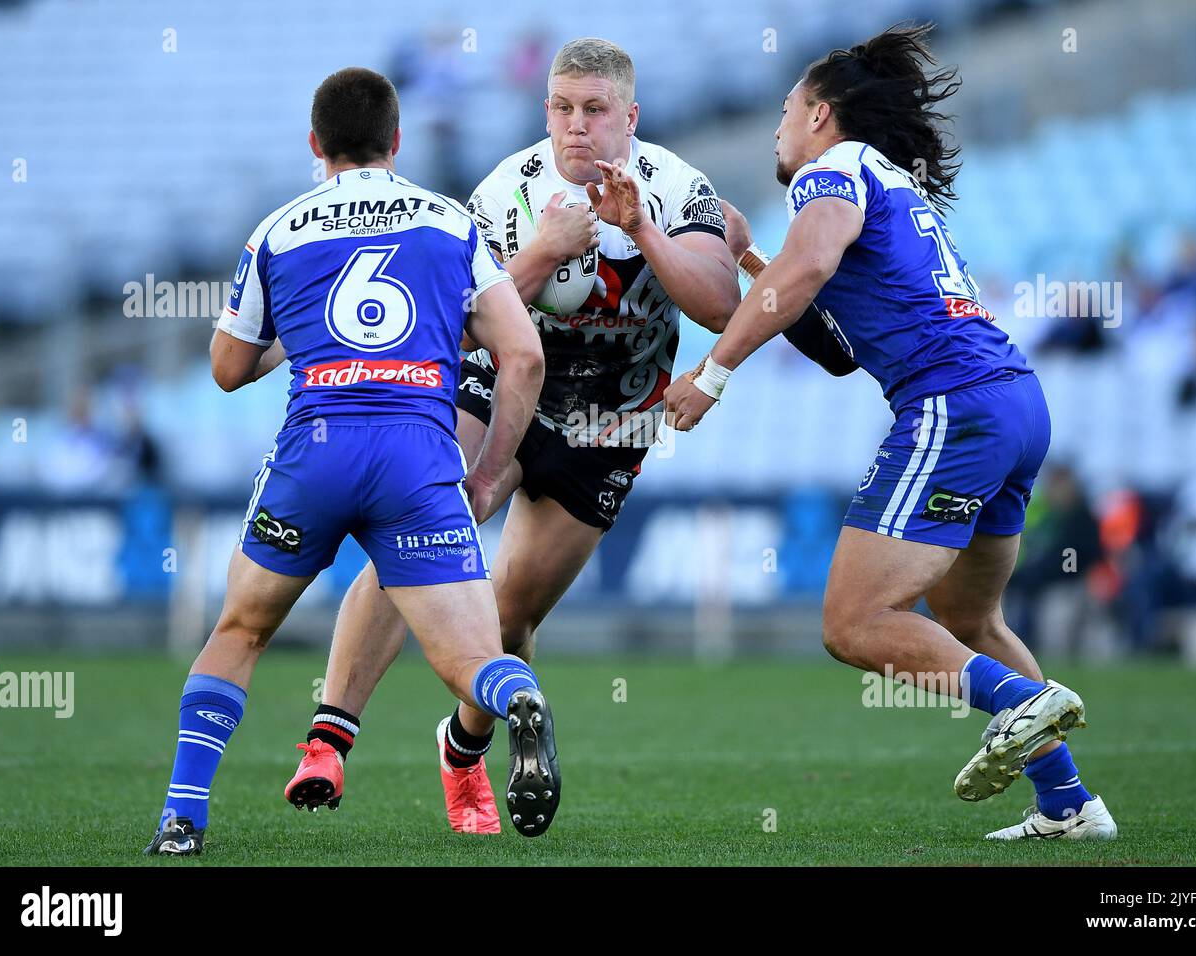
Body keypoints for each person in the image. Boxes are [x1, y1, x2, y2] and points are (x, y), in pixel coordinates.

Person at [664, 24, 1117, 841]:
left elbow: (805, 276)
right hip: (1014, 401)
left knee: (853, 624)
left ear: (822, 116)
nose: (776, 128)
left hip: (953, 402)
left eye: (785, 110)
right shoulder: (882, 180)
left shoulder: (831, 171)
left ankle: (1021, 703)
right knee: (969, 621)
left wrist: (712, 374)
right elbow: (835, 348)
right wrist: (746, 260)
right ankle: (1068, 805)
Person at [284, 37, 743, 835]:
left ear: (629, 117)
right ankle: (329, 737)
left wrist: (644, 233)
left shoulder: (675, 186)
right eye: (562, 108)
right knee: (412, 533)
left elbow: (721, 306)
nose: (576, 127)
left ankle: (463, 749)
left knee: (510, 617)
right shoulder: (503, 193)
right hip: (496, 385)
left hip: (609, 421)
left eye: (595, 111)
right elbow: (453, 327)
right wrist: (537, 256)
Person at [146, 67, 556, 855]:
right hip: (416, 457)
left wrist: (297, 344)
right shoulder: (449, 222)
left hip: (317, 453)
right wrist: (488, 475)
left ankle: (182, 818)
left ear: (315, 145)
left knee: (239, 630)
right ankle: (519, 697)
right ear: (396, 142)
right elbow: (523, 356)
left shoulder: (278, 229)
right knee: (473, 657)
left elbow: (227, 369)